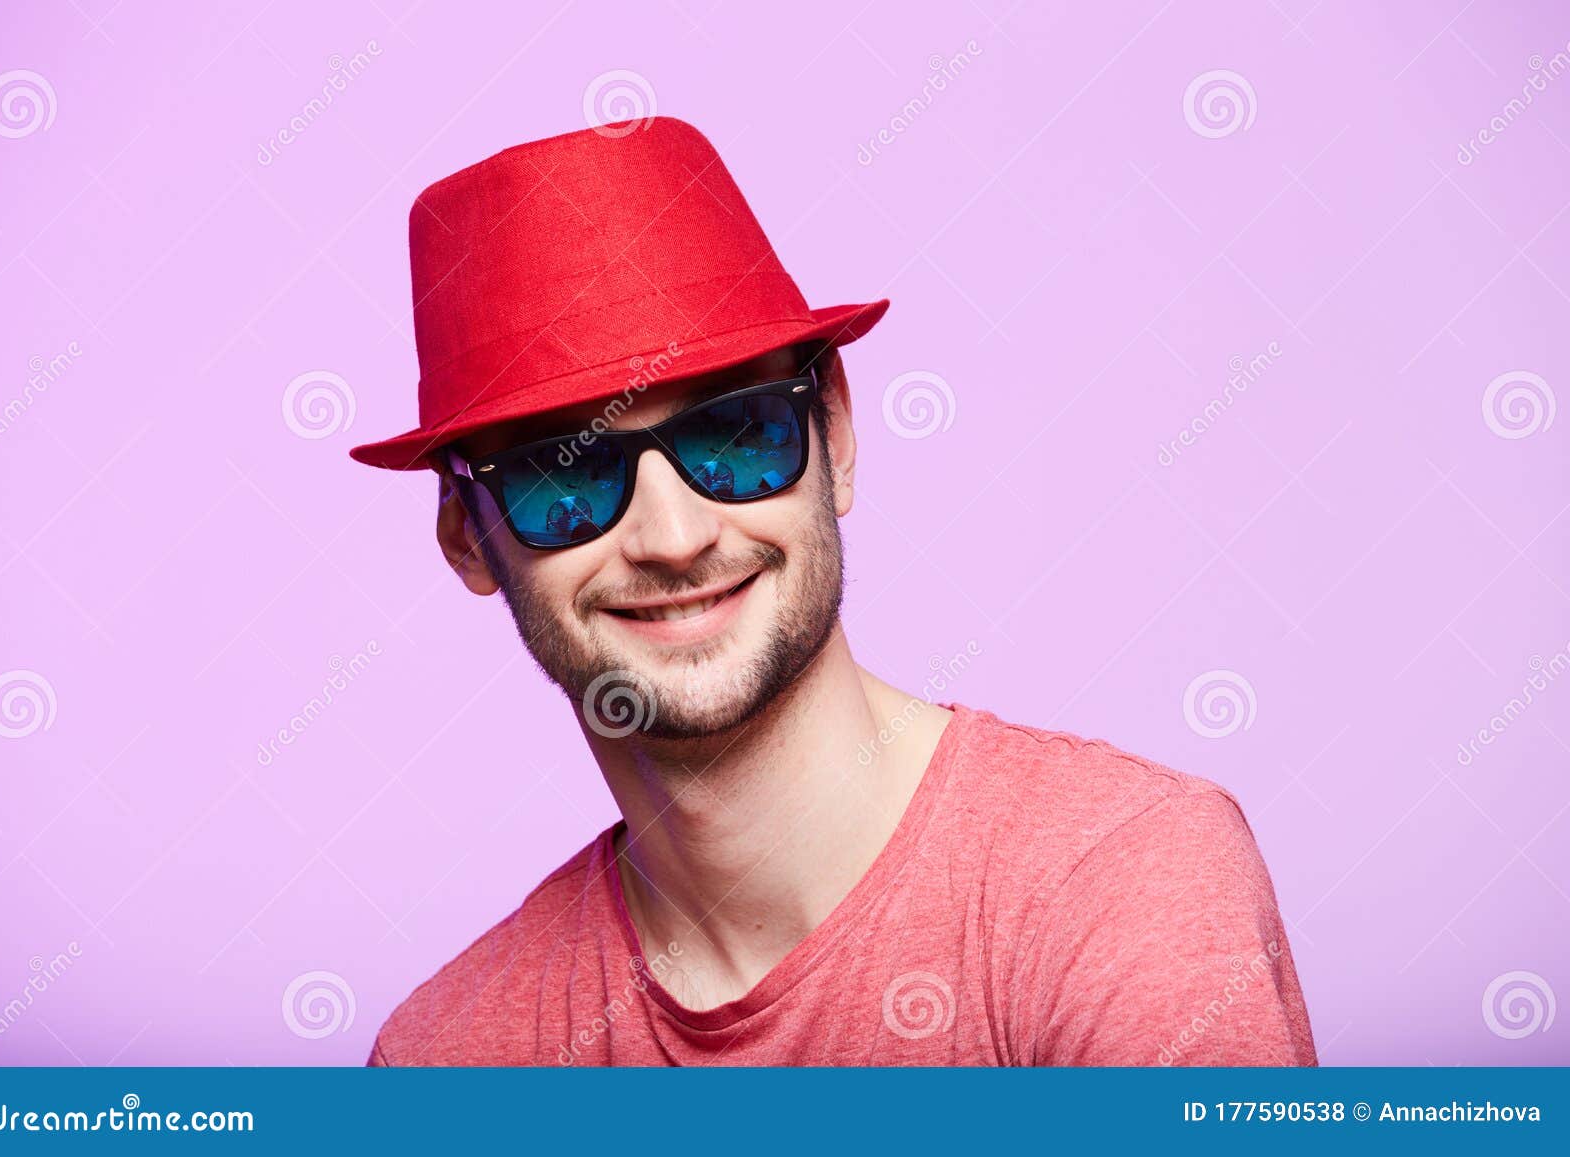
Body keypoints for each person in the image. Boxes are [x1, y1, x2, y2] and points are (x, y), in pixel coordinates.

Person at [348, 117, 1316, 1066]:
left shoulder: (1115, 878)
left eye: (736, 435)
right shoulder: (452, 1058)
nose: (675, 538)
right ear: (464, 536)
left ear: (837, 437)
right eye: (563, 477)